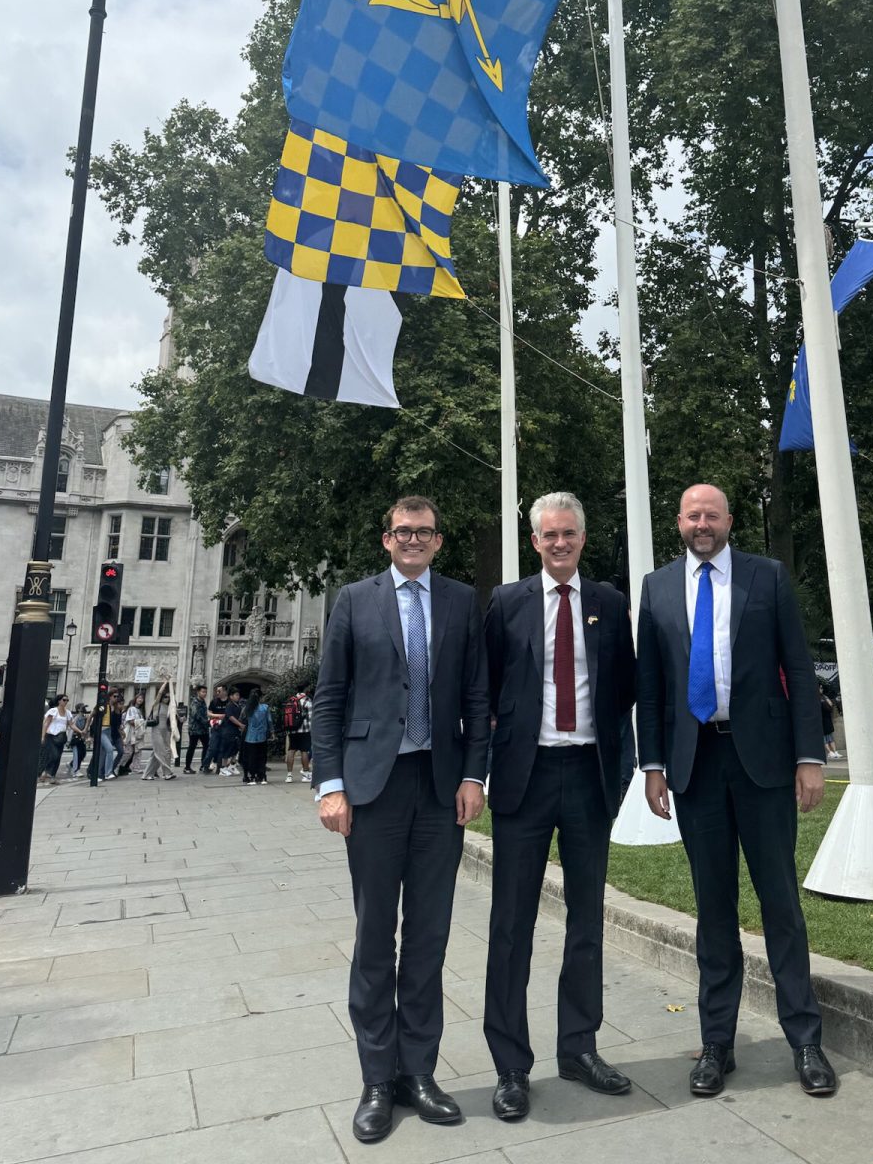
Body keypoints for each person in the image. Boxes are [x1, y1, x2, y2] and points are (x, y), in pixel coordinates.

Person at [637, 484, 836, 1099]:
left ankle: (805, 1041)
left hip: (765, 764)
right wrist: (652, 764)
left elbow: (797, 667)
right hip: (695, 765)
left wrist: (809, 757)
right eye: (693, 515)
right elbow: (651, 684)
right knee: (714, 910)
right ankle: (716, 1045)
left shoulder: (766, 576)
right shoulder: (657, 587)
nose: (703, 524)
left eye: (713, 515)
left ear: (729, 520)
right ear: (679, 522)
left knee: (781, 903)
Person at [314, 494, 489, 1144]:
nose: (413, 539)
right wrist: (331, 785)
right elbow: (329, 697)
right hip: (373, 789)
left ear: (438, 541)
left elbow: (477, 695)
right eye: (402, 531)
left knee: (428, 937)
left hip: (440, 788)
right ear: (386, 539)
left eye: (424, 532)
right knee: (374, 937)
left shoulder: (462, 602)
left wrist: (474, 775)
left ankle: (418, 1072)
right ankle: (376, 1081)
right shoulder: (354, 600)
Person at [483, 491, 636, 1123]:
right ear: (535, 541)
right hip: (525, 776)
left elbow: (624, 687)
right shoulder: (506, 603)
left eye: (569, 533)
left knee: (586, 919)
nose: (560, 543)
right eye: (549, 534)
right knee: (511, 923)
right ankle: (510, 1066)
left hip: (588, 775)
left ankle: (578, 1047)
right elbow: (487, 686)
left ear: (582, 538)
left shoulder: (609, 603)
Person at [142, 679, 178, 780]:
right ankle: (167, 773)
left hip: (165, 731)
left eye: (169, 697)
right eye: (165, 697)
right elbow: (159, 693)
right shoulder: (157, 704)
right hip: (156, 730)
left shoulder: (170, 707)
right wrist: (167, 682)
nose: (167, 699)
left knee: (157, 754)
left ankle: (147, 774)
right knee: (161, 752)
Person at [240, 688, 273, 785]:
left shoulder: (246, 708)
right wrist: (272, 732)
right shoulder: (265, 707)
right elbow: (269, 721)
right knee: (262, 757)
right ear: (261, 697)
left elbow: (242, 719)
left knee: (251, 757)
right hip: (262, 736)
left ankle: (252, 777)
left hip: (250, 737)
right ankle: (262, 777)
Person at [283, 682, 314, 783]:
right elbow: (311, 718)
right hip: (304, 730)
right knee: (304, 751)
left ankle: (289, 776)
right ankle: (305, 774)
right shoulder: (307, 700)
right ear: (305, 689)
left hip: (292, 729)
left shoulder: (291, 700)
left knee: (291, 750)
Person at [39, 694, 71, 785]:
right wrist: (42, 736)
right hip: (51, 736)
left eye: (67, 700)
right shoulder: (53, 711)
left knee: (57, 758)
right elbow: (46, 724)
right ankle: (45, 772)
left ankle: (52, 776)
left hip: (61, 738)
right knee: (54, 756)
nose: (66, 702)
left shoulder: (68, 713)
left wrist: (81, 731)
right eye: (64, 700)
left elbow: (71, 724)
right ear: (59, 701)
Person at [217, 687, 246, 777]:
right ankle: (223, 768)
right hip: (228, 731)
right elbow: (230, 717)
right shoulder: (229, 705)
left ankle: (232, 766)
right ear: (231, 696)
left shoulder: (238, 706)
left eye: (238, 695)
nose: (238, 696)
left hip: (236, 731)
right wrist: (240, 725)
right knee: (227, 750)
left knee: (235, 749)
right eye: (236, 695)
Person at [118, 694, 146, 776]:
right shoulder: (132, 709)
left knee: (137, 751)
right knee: (128, 752)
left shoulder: (140, 710)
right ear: (135, 699)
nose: (140, 699)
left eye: (142, 698)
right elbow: (131, 721)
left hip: (137, 733)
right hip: (131, 733)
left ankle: (134, 767)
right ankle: (119, 766)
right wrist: (141, 724)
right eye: (139, 698)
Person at [184, 686, 210, 774]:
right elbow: (197, 715)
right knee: (192, 747)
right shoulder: (195, 702)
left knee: (207, 746)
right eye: (203, 692)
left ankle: (204, 765)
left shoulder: (203, 702)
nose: (205, 693)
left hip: (203, 729)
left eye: (205, 692)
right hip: (195, 729)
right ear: (198, 692)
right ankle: (187, 767)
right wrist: (207, 722)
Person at [203, 685, 227, 774]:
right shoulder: (214, 701)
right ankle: (206, 766)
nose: (217, 693)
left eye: (219, 691)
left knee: (222, 748)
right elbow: (209, 713)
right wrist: (219, 716)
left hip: (226, 727)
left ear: (224, 691)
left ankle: (219, 767)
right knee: (212, 747)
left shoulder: (229, 702)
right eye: (217, 691)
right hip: (216, 727)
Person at [66, 703, 90, 778]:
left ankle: (71, 765)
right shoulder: (76, 718)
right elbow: (71, 729)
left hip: (81, 739)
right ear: (79, 709)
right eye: (83, 707)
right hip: (75, 739)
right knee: (77, 755)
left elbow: (86, 730)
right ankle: (75, 770)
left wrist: (86, 738)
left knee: (82, 754)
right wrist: (68, 741)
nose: (85, 709)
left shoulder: (85, 717)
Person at [819, 685, 841, 761]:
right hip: (821, 719)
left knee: (830, 736)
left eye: (822, 688)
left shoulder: (824, 696)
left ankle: (835, 751)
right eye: (820, 688)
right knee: (824, 737)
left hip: (827, 718)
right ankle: (830, 752)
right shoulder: (816, 698)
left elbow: (831, 704)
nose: (821, 689)